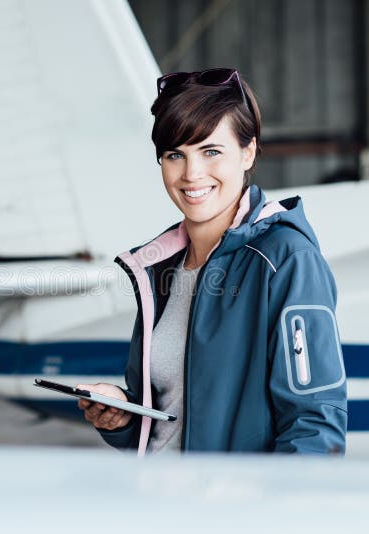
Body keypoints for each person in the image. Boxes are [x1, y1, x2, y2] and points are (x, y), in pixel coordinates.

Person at [77, 68, 347, 455]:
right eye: (175, 155)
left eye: (211, 151)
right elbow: (174, 417)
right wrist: (124, 418)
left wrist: (262, 511)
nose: (191, 174)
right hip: (157, 505)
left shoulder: (285, 258)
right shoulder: (160, 267)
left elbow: (316, 425)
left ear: (248, 152)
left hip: (228, 515)